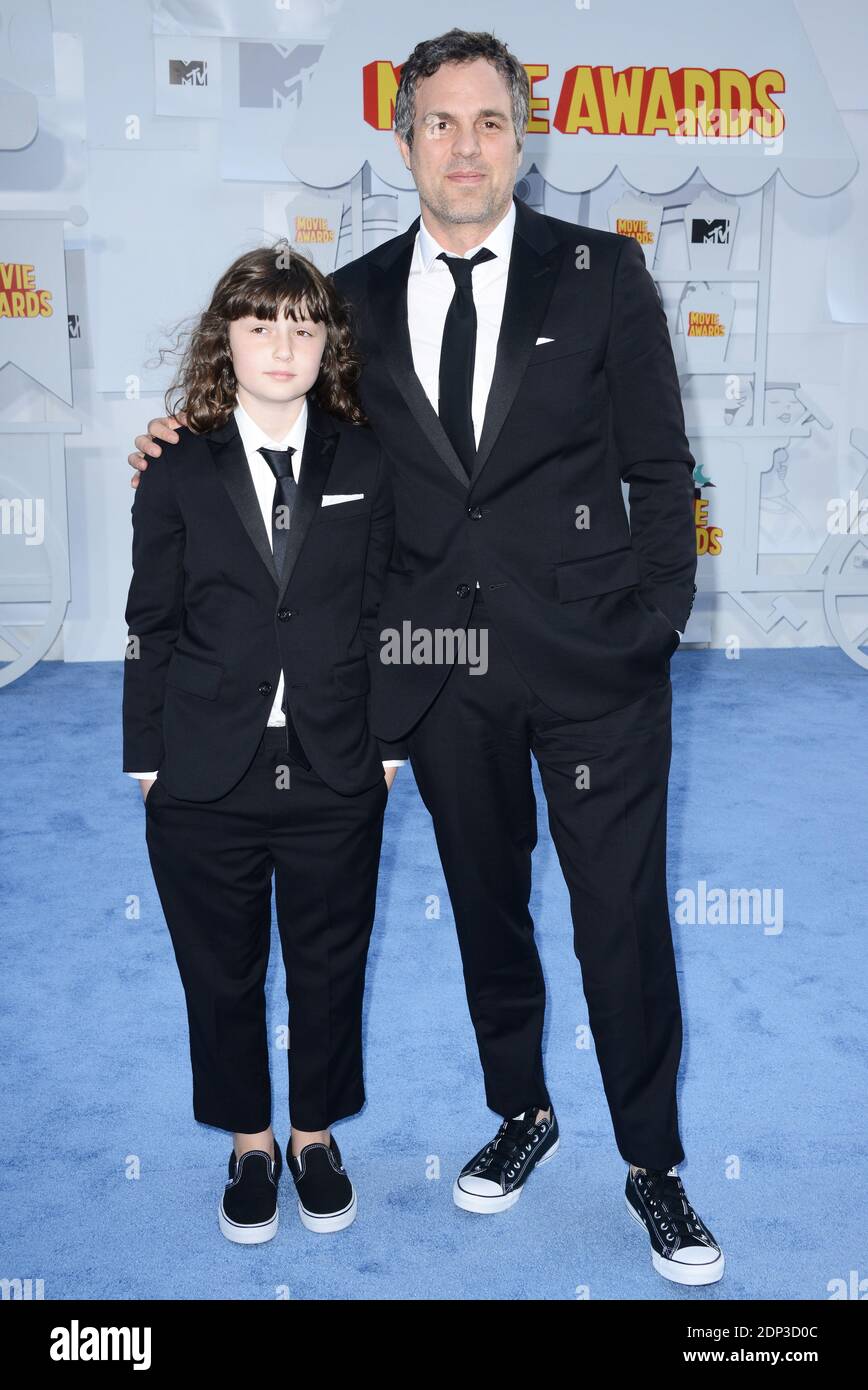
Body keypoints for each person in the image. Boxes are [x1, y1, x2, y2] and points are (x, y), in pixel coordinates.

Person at [127, 29, 724, 1286]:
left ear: (523, 139)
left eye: (489, 123)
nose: (465, 145)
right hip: (430, 658)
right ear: (403, 144)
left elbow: (658, 467)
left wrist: (654, 620)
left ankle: (653, 1163)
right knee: (485, 910)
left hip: (590, 661)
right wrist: (177, 443)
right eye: (439, 124)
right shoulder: (348, 298)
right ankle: (522, 1111)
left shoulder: (603, 276)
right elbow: (289, 433)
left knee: (618, 913)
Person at [123, 242, 404, 1244]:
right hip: (204, 767)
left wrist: (390, 742)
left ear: (326, 339)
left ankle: (314, 1132)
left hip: (336, 761)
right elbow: (151, 619)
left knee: (331, 960)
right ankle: (249, 1139)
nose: (280, 344)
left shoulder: (366, 458)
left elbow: (386, 605)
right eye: (258, 324)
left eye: (301, 323)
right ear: (224, 339)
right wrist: (146, 761)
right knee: (222, 967)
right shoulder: (174, 466)